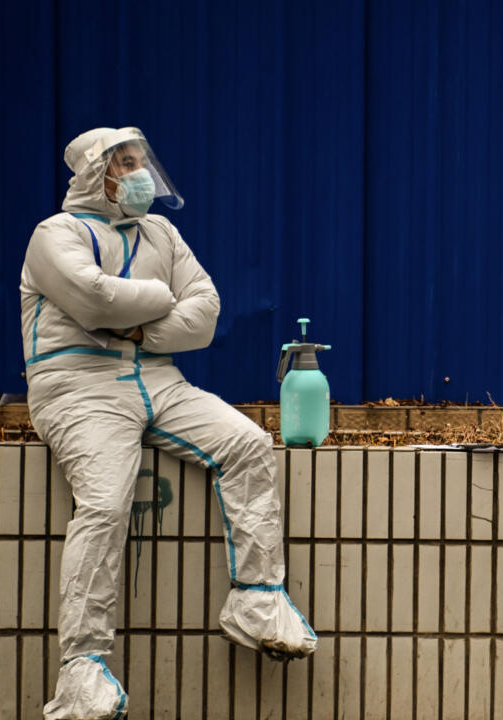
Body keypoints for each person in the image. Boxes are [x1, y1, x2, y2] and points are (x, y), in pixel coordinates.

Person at [20, 127, 315, 720]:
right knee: (104, 504)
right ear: (92, 178)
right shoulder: (56, 234)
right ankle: (81, 671)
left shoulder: (162, 231)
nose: (138, 174)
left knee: (249, 444)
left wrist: (137, 328)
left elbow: (205, 313)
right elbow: (92, 297)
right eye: (123, 164)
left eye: (139, 161)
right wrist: (158, 297)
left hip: (157, 378)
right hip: (78, 388)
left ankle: (256, 598)